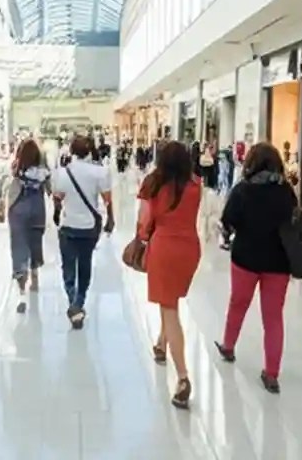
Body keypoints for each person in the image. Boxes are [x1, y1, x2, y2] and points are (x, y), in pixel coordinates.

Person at [214, 142, 296, 393]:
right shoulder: (286, 192)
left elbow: (227, 223)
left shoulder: (242, 190)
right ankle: (272, 374)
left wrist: (227, 234)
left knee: (238, 304)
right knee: (273, 318)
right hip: (278, 262)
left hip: (245, 258)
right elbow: (295, 221)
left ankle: (228, 346)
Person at [136, 140, 202, 409]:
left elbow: (144, 220)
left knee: (169, 309)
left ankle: (184, 377)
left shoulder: (153, 184)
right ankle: (161, 343)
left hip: (164, 247)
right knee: (171, 300)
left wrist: (142, 238)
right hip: (189, 249)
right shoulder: (196, 185)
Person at [51, 134, 114, 329]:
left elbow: (57, 198)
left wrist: (56, 212)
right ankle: (78, 303)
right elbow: (107, 200)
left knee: (68, 267)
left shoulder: (62, 173)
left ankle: (73, 302)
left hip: (68, 226)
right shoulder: (100, 173)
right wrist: (111, 219)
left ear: (71, 151)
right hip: (89, 228)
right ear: (89, 151)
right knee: (85, 265)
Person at [0, 139, 50, 313]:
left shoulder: (14, 169)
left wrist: (0, 206)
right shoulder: (43, 171)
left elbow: (3, 185)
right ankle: (35, 278)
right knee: (35, 243)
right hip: (37, 210)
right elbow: (52, 190)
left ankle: (21, 290)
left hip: (18, 211)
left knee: (19, 246)